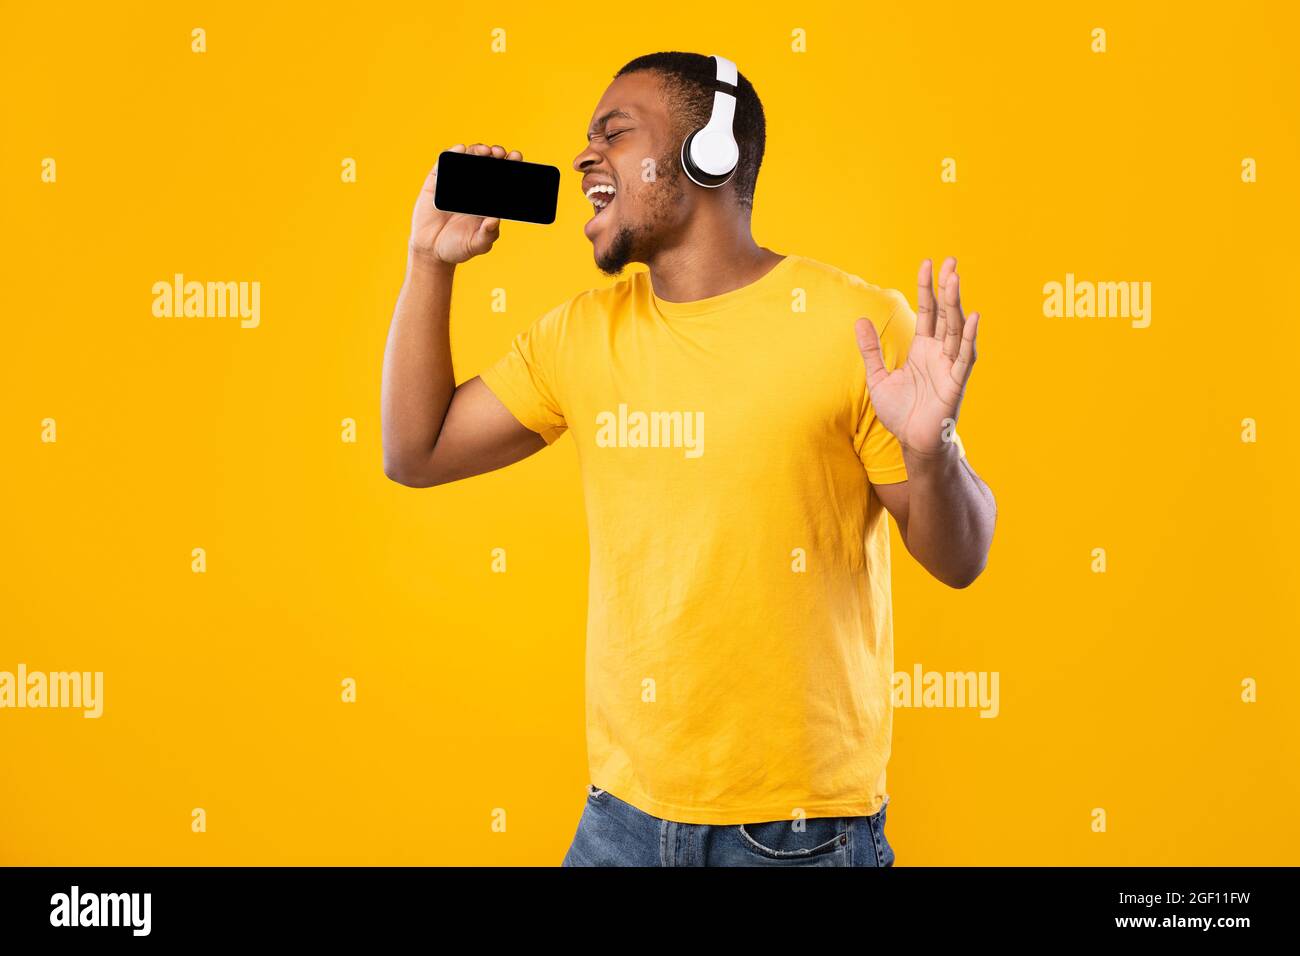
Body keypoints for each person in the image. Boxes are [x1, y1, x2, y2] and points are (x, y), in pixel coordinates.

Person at [381, 51, 996, 867]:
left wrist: (933, 449)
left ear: (710, 151)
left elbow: (960, 558)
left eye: (615, 131)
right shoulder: (580, 334)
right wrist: (428, 262)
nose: (583, 157)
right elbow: (414, 451)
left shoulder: (855, 326)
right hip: (620, 822)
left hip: (800, 837)